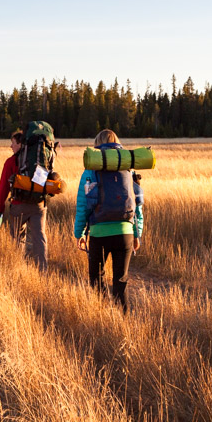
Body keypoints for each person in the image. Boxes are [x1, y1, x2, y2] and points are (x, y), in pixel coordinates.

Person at [73, 129, 143, 310]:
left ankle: (103, 318)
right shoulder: (128, 167)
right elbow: (137, 204)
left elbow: (83, 205)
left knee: (97, 280)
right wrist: (137, 233)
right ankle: (124, 323)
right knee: (121, 282)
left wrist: (79, 232)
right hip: (125, 233)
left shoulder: (91, 169)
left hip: (99, 233)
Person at [0, 127, 53, 269]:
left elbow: (3, 188)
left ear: (20, 144)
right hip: (38, 204)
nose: (11, 146)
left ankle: (18, 268)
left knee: (17, 238)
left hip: (18, 206)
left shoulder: (11, 162)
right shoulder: (39, 159)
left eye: (13, 143)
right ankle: (42, 270)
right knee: (39, 238)